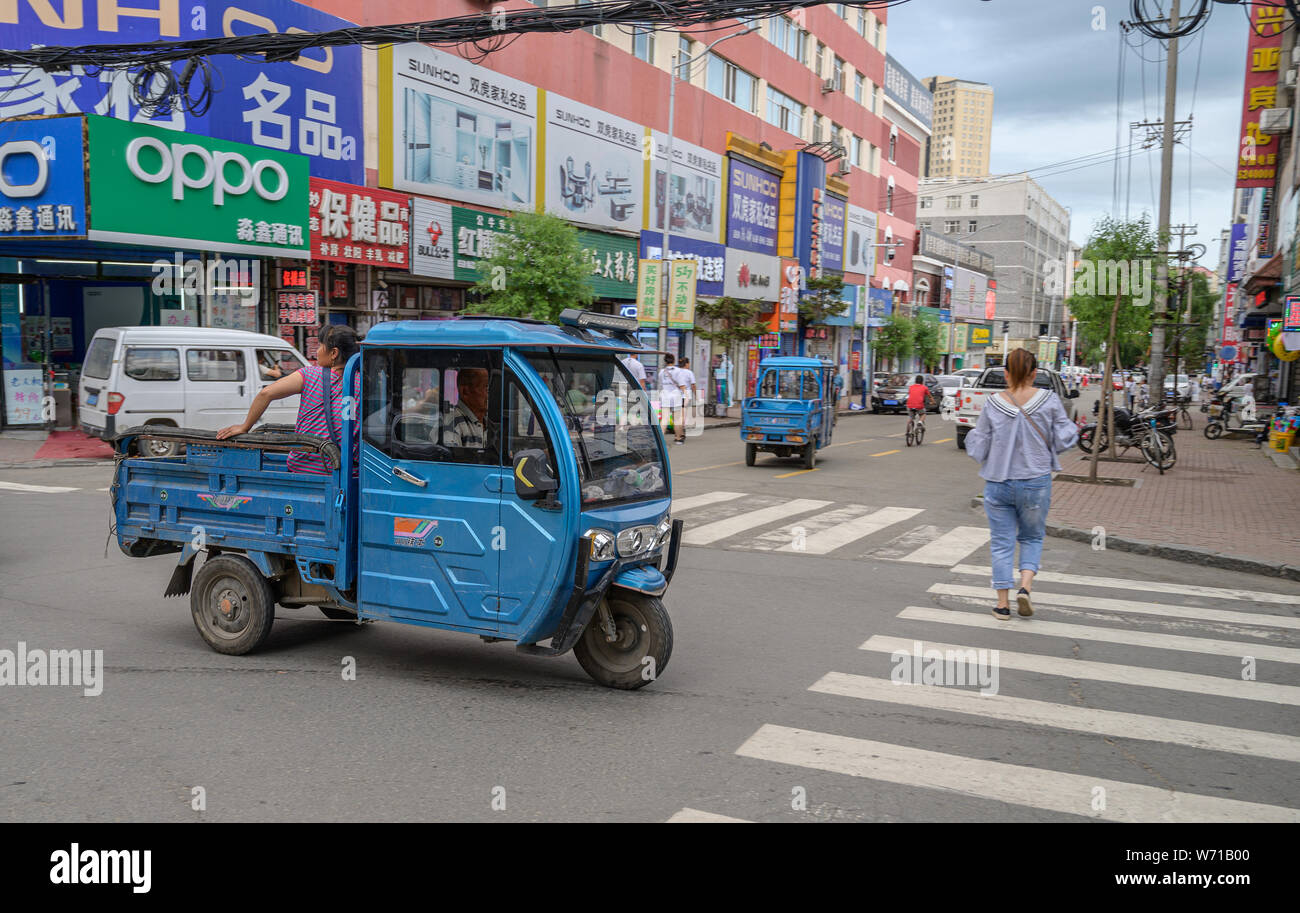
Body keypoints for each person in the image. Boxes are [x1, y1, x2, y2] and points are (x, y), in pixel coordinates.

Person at [965, 348, 1078, 620]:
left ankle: (1002, 605)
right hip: (1035, 481)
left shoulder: (993, 403)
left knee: (1001, 542)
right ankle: (1025, 589)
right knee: (1032, 536)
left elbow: (979, 445)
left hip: (997, 483)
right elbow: (1065, 437)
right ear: (1034, 373)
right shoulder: (1049, 400)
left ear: (1005, 373)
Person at [217, 325, 360, 474]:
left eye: (320, 346)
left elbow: (265, 394)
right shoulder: (364, 383)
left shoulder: (310, 375)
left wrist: (245, 426)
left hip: (304, 468)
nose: (317, 352)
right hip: (348, 472)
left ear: (333, 353)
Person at [443, 367, 490, 448]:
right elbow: (450, 459)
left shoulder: (490, 422)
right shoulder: (452, 423)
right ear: (465, 391)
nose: (488, 394)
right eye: (485, 387)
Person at [658, 354, 685, 444]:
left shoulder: (661, 372)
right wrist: (685, 396)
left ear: (665, 361)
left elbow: (660, 385)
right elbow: (682, 386)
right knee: (676, 419)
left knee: (664, 418)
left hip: (665, 395)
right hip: (676, 396)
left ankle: (660, 440)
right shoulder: (678, 371)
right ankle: (678, 438)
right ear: (674, 361)